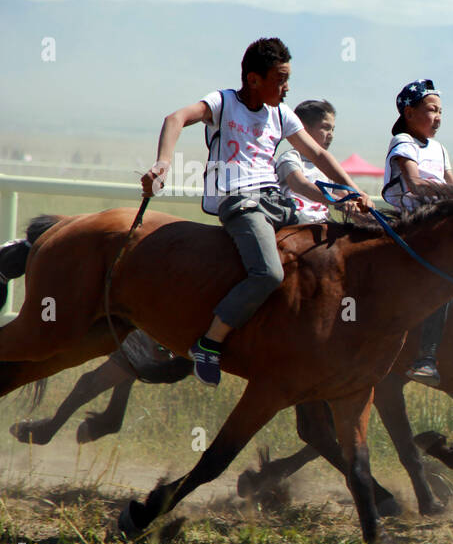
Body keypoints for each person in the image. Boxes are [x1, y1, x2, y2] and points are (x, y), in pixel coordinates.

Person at [140, 38, 371, 387]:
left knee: (329, 252)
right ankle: (209, 342)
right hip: (241, 202)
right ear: (253, 80)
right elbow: (176, 118)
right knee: (267, 274)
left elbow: (320, 156)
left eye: (287, 78)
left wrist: (352, 190)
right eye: (280, 78)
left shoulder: (280, 113)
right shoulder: (224, 103)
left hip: (276, 203)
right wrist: (163, 163)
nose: (286, 86)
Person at [380, 79, 453, 385]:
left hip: (438, 224)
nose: (438, 117)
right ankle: (426, 356)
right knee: (444, 276)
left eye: (441, 111)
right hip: (411, 226)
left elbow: (450, 188)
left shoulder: (439, 149)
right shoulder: (403, 143)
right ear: (409, 113)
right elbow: (416, 185)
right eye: (432, 110)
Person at [275, 98, 341, 224]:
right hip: (295, 227)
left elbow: (343, 193)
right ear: (302, 130)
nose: (331, 134)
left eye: (333, 129)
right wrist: (339, 201)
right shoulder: (290, 158)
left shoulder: (326, 166)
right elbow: (302, 185)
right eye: (326, 128)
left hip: (322, 224)